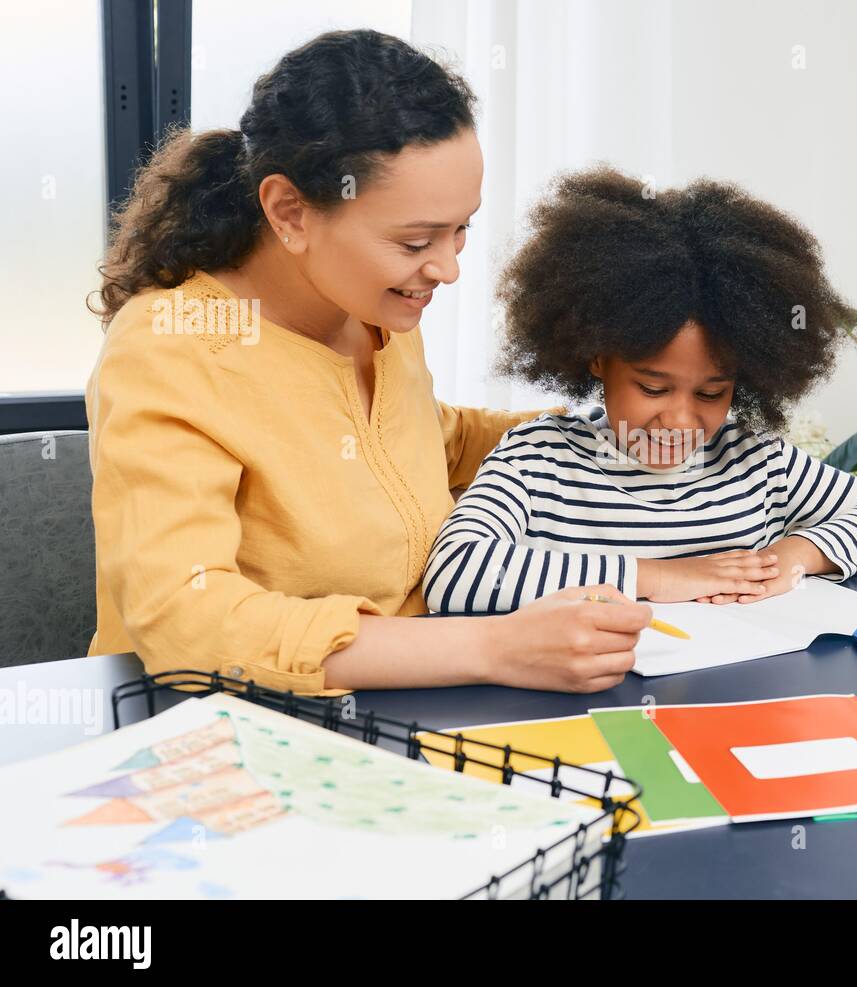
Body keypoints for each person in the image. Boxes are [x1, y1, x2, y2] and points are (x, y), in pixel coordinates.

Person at [86, 31, 649, 695]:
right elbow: (189, 621)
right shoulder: (172, 350)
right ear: (289, 212)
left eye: (460, 228)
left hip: (420, 702)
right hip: (227, 725)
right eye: (415, 240)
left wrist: (612, 426)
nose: (447, 267)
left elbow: (421, 443)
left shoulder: (372, 309)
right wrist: (492, 645)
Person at [423, 167, 857, 615]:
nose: (680, 420)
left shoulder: (756, 462)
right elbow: (455, 574)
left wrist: (789, 559)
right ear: (597, 356)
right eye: (653, 387)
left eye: (710, 394)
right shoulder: (539, 461)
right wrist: (658, 577)